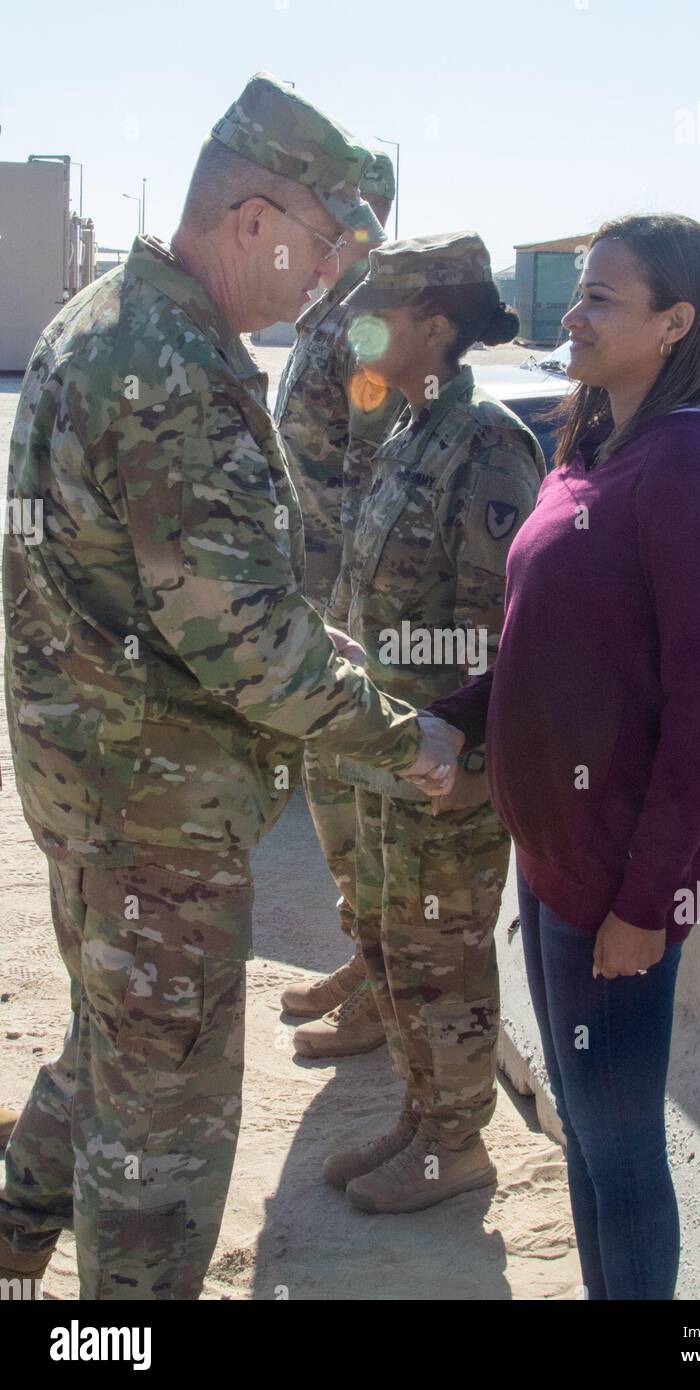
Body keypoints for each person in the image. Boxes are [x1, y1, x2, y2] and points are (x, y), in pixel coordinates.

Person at [0, 73, 459, 1301]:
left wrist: (338, 660)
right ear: (253, 220)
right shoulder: (172, 366)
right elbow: (246, 641)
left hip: (98, 795)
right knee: (162, 1141)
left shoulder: (108, 318)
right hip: (156, 828)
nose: (325, 288)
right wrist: (403, 735)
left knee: (109, 1054)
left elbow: (197, 588)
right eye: (317, 252)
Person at [424, 214, 700, 1295]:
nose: (568, 314)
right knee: (582, 1128)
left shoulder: (690, 470)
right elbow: (553, 651)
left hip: (613, 883)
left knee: (617, 1158)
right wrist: (460, 718)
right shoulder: (595, 443)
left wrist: (643, 905)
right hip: (556, 862)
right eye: (577, 291)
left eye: (598, 298)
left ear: (674, 322)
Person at [320, 232, 546, 1214]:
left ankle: (456, 1145)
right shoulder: (412, 426)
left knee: (439, 950)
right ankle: (422, 1117)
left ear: (437, 325)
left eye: (381, 310)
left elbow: (504, 633)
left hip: (446, 760)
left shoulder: (489, 442)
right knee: (390, 939)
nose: (357, 328)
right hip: (389, 750)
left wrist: (469, 752)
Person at [275, 152, 405, 1059]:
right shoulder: (328, 308)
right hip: (317, 590)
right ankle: (366, 954)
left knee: (363, 794)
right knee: (331, 789)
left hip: (353, 601)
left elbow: (372, 465)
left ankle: (390, 986)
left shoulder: (365, 314)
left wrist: (359, 604)